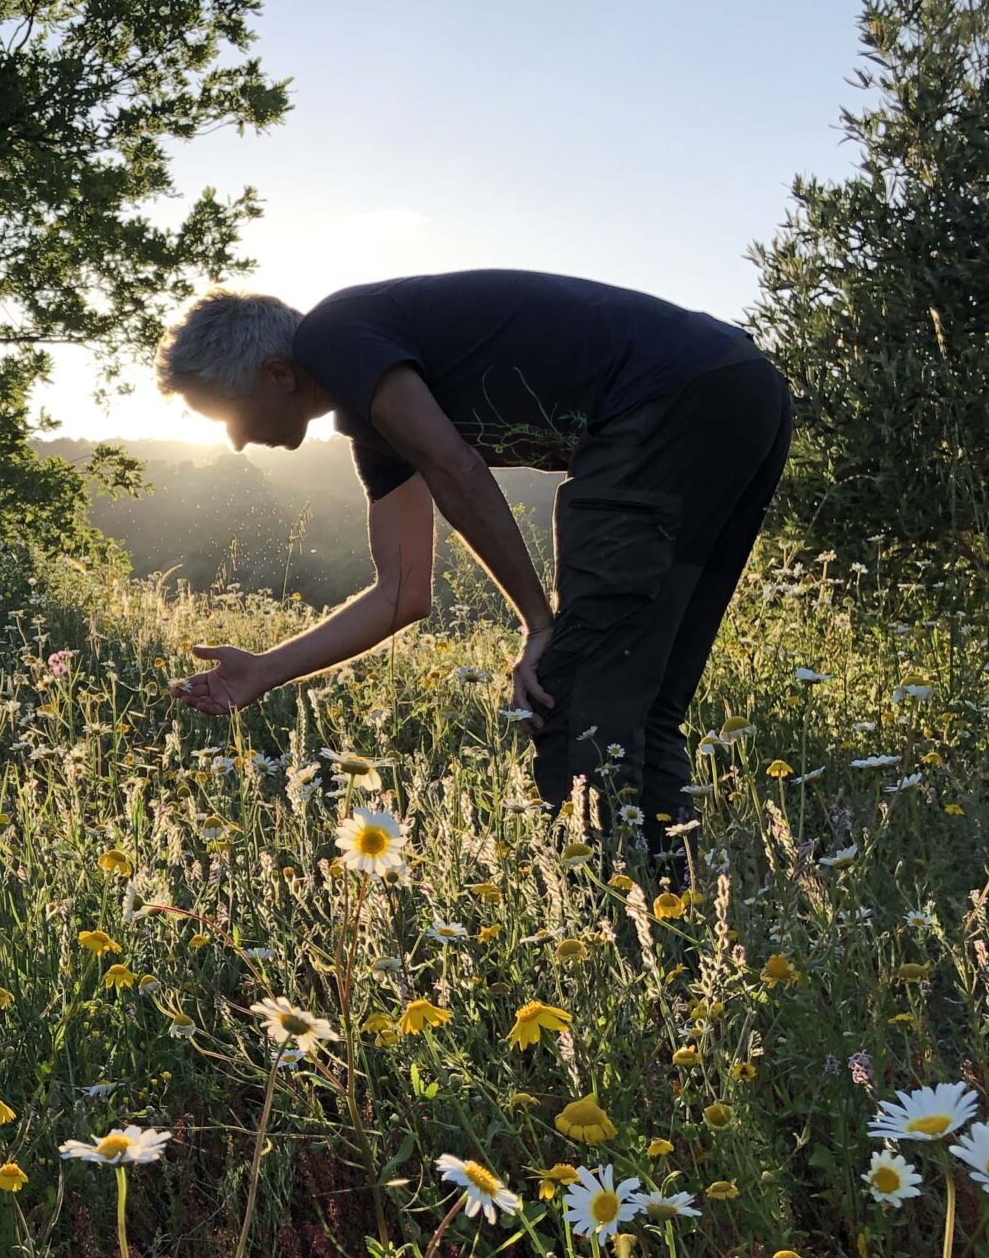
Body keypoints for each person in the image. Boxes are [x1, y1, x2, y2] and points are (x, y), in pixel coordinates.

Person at [156, 269, 792, 864]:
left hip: (673, 398)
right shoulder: (376, 420)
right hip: (737, 390)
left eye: (228, 414)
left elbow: (457, 469)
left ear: (279, 374)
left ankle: (612, 916)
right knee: (639, 701)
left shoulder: (334, 334)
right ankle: (665, 915)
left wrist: (540, 626)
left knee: (566, 694)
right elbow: (403, 592)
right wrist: (264, 671)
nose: (234, 442)